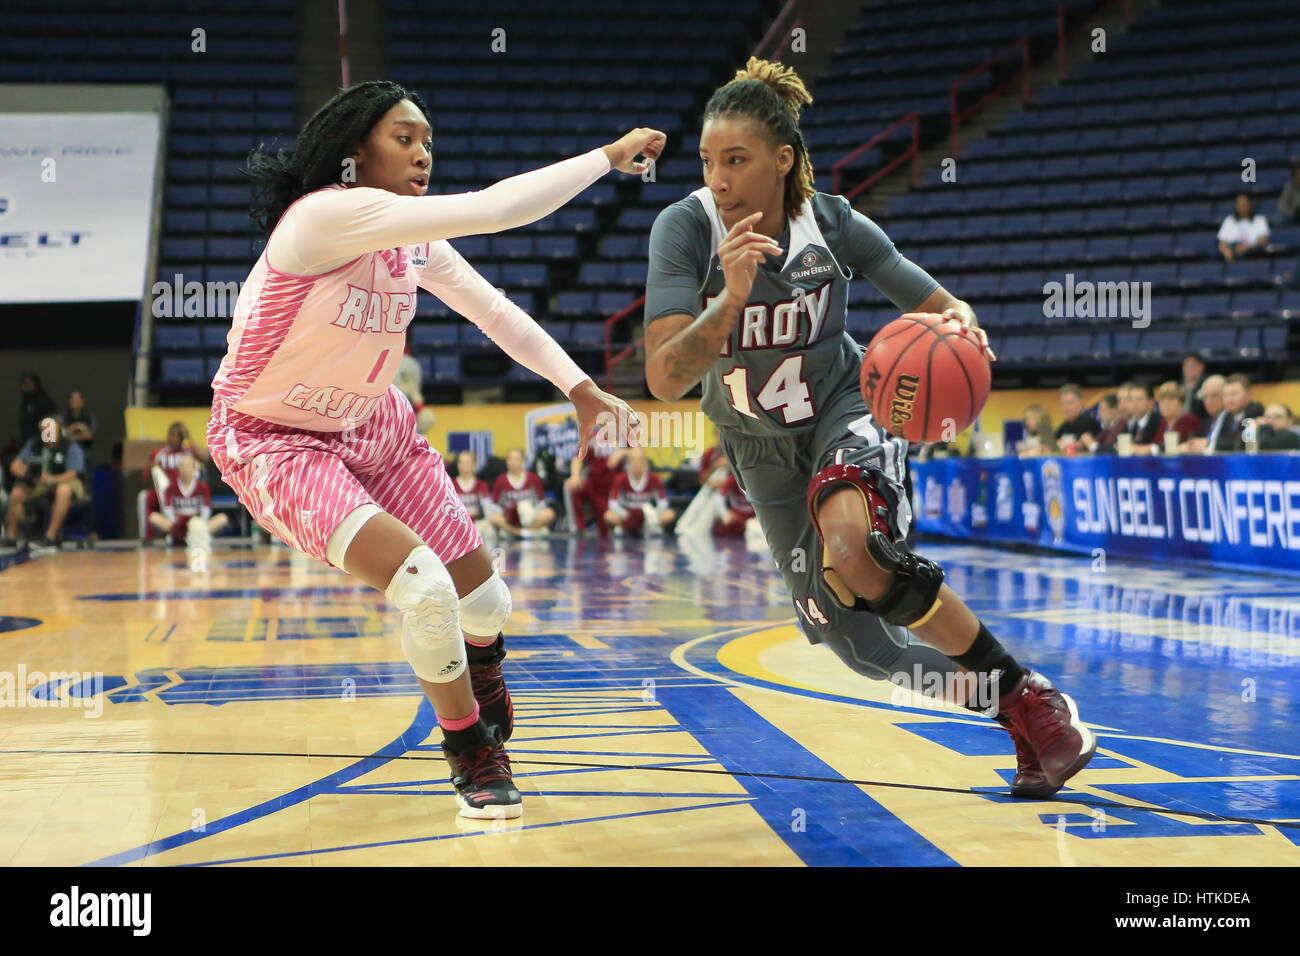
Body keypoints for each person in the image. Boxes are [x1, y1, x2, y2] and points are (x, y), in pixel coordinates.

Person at [643, 57, 1095, 799]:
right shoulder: (684, 228)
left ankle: (1034, 703)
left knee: (854, 552)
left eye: (737, 160)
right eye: (707, 162)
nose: (718, 179)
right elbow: (663, 378)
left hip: (844, 409)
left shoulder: (834, 223)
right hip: (758, 450)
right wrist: (728, 299)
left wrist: (962, 350)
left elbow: (949, 310)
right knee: (859, 647)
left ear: (782, 160)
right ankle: (1011, 701)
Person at [211, 79, 660, 818]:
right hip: (275, 439)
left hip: (376, 424)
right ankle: (471, 751)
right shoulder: (321, 218)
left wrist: (578, 386)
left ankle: (481, 668)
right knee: (424, 589)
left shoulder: (411, 237)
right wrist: (606, 157)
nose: (424, 153)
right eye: (404, 138)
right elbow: (493, 209)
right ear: (356, 152)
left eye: (428, 140)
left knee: (486, 602)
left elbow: (493, 310)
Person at [3, 416, 88, 551]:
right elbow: (16, 463)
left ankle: (50, 537)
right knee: (17, 493)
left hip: (66, 480)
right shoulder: (34, 444)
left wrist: (50, 479)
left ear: (59, 429)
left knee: (63, 490)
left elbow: (73, 473)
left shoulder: (70, 446)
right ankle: (11, 536)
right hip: (40, 482)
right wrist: (19, 469)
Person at [140, 421, 210, 541]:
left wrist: (189, 438)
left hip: (188, 493)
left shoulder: (189, 450)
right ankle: (147, 538)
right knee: (144, 496)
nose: (172, 437)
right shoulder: (159, 453)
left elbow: (206, 458)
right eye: (170, 434)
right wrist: (153, 469)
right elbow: (145, 478)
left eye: (177, 434)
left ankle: (198, 532)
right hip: (165, 494)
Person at [148, 452, 228, 547]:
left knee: (222, 518)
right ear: (179, 469)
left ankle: (198, 535)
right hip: (177, 524)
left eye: (188, 466)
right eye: (182, 466)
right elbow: (168, 511)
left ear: (194, 469)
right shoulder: (171, 488)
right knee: (153, 517)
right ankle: (177, 535)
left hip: (196, 524)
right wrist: (176, 526)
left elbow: (205, 511)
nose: (185, 469)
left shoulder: (203, 487)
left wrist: (198, 526)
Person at [564, 425, 626, 535]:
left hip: (614, 488)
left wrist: (623, 452)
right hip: (594, 484)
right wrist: (575, 476)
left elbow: (639, 455)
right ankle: (576, 528)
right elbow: (578, 457)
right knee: (570, 487)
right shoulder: (593, 438)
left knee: (605, 530)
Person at [605, 447, 675, 535]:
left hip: (647, 515)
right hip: (627, 514)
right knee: (608, 515)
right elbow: (612, 503)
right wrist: (625, 514)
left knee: (669, 514)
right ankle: (622, 528)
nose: (637, 464)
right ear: (628, 463)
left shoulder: (654, 479)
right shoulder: (620, 479)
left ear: (645, 462)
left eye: (640, 460)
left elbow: (663, 502)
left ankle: (651, 527)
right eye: (633, 460)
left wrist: (653, 514)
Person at [489, 448, 556, 538]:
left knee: (549, 513)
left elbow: (541, 503)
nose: (513, 462)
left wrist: (534, 514)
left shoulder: (533, 478)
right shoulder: (501, 480)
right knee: (494, 517)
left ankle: (527, 530)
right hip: (509, 518)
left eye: (516, 459)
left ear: (523, 461)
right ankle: (517, 532)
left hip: (531, 517)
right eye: (510, 459)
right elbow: (495, 505)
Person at [1137, 382, 1199, 454]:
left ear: (1181, 403)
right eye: (1162, 400)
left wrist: (1150, 449)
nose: (1165, 404)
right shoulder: (1163, 423)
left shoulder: (1188, 420)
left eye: (1170, 399)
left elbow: (1172, 447)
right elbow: (1155, 443)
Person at [1211, 373, 1266, 452]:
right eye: (1225, 395)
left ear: (1248, 395)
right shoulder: (1225, 417)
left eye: (1234, 394)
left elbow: (1241, 445)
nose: (1229, 399)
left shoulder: (1257, 412)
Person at [452, 450, 495, 545]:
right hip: (457, 524)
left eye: (467, 463)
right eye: (461, 462)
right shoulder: (451, 483)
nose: (463, 466)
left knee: (489, 531)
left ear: (474, 466)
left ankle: (487, 558)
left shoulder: (481, 485)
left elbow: (487, 508)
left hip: (477, 524)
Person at [1182, 374, 1227, 453]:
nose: (1208, 401)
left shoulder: (1232, 418)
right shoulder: (1206, 422)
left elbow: (1233, 442)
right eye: (1205, 397)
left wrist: (1208, 443)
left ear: (1225, 395)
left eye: (1214, 396)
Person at [1217, 193, 1269, 261]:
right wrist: (1225, 250)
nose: (1241, 206)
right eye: (1239, 204)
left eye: (1244, 204)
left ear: (1249, 205)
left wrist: (1249, 247)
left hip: (1253, 255)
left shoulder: (1260, 220)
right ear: (1236, 206)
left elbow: (1263, 239)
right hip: (1233, 255)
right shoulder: (1229, 220)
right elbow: (1221, 242)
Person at [1052, 384, 1100, 454]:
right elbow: (1052, 440)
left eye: (1070, 402)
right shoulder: (1066, 425)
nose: (1066, 407)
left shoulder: (1088, 422)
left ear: (1081, 403)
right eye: (1062, 404)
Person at [17, 373, 57, 450]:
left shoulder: (45, 402)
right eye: (24, 384)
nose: (26, 387)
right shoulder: (26, 402)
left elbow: (50, 424)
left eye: (28, 384)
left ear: (35, 384)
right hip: (27, 442)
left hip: (41, 443)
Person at [1122, 382, 1161, 446]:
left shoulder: (1159, 423)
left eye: (1139, 399)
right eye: (1131, 399)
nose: (1134, 404)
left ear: (1151, 402)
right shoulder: (1132, 425)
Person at [63, 390, 95, 457]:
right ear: (69, 402)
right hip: (65, 451)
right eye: (73, 400)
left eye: (78, 400)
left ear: (82, 402)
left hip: (85, 451)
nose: (75, 402)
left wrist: (72, 435)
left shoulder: (89, 419)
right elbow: (63, 436)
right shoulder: (63, 418)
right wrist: (76, 427)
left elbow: (89, 436)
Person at [1180, 354, 1208, 421]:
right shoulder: (1178, 388)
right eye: (1185, 365)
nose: (1188, 369)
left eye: (1192, 366)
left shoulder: (1206, 387)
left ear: (1201, 367)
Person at [1275, 159, 1300, 224]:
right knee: (1277, 219)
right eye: (1298, 174)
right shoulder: (1289, 187)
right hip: (1293, 216)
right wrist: (1292, 211)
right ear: (1294, 175)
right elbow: (1281, 206)